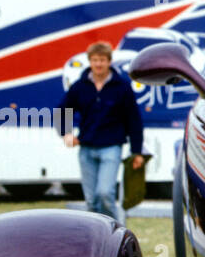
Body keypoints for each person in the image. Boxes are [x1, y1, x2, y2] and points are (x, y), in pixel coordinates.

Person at [57, 42, 146, 222]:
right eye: (95, 60)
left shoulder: (121, 87)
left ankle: (117, 234)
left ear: (109, 62)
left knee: (105, 193)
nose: (98, 64)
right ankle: (95, 239)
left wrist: (137, 151)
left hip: (111, 148)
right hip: (86, 148)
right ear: (90, 62)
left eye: (102, 60)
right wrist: (66, 133)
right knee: (91, 200)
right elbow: (61, 111)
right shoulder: (80, 87)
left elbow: (134, 121)